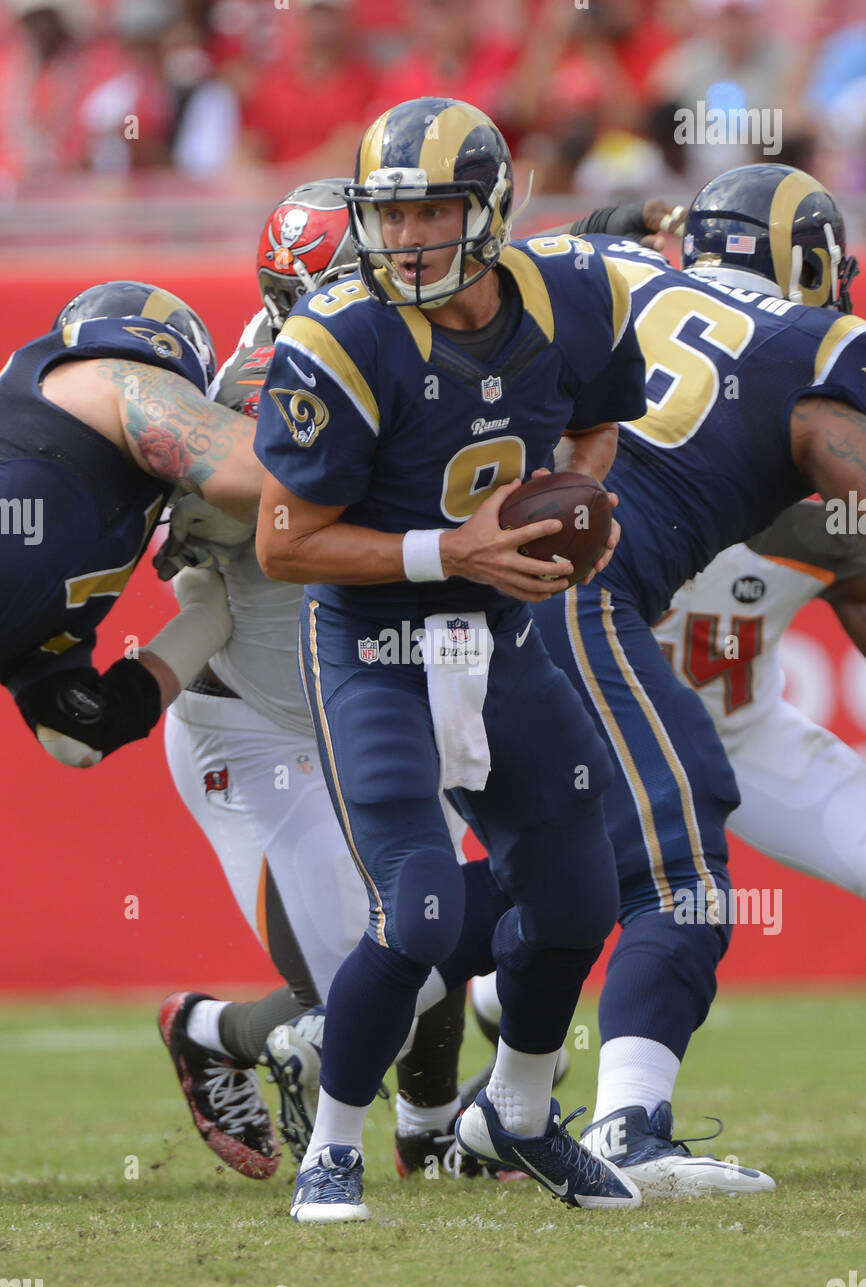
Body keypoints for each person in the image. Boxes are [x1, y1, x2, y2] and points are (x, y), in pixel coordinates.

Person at [254, 96, 649, 1222]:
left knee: (580, 893)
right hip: (370, 643)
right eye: (390, 214)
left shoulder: (571, 293)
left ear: (489, 209)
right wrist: (449, 545)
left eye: (432, 210)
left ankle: (517, 1116)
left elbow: (592, 426)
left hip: (495, 632)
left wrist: (577, 508)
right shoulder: (342, 334)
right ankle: (332, 1144)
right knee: (419, 912)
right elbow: (284, 542)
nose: (408, 237)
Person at [526, 161, 863, 1198]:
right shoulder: (814, 369)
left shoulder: (612, 278)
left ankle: (476, 1096)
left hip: (719, 714)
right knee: (627, 878)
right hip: (597, 651)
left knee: (549, 882)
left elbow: (544, 266)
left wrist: (609, 221)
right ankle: (605, 1121)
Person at [0, 279, 262, 772]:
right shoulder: (115, 375)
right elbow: (255, 473)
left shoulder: (113, 499)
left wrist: (206, 614)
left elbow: (79, 729)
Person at [653, 499, 866, 899]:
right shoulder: (602, 491)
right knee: (550, 897)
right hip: (594, 741)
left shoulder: (812, 531)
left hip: (741, 740)